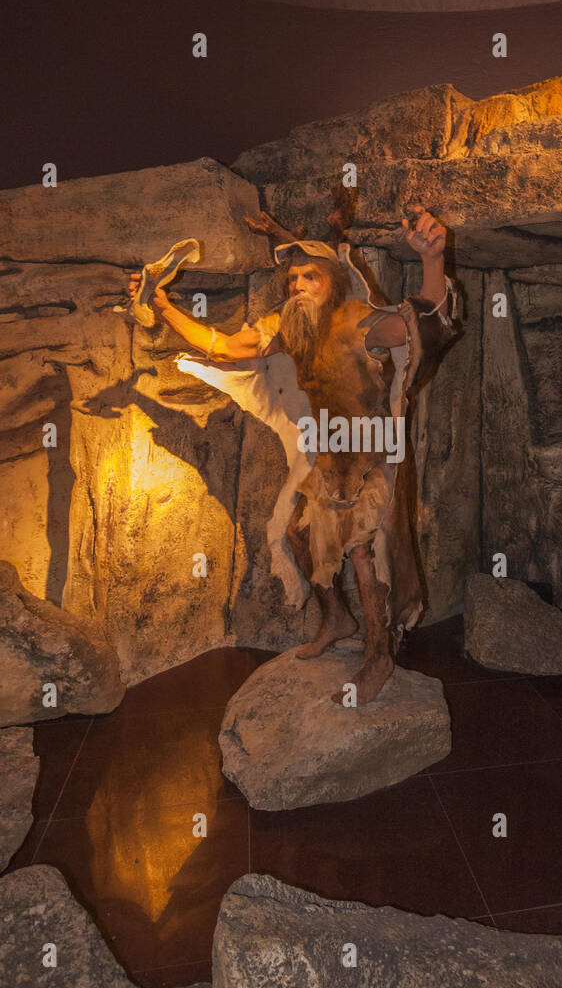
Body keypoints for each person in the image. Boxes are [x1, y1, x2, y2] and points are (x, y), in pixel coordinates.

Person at [127, 208, 457, 704]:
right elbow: (225, 347)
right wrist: (163, 304)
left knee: (367, 558)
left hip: (371, 458)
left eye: (311, 276)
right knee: (298, 537)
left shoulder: (358, 321)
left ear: (334, 282)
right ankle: (335, 617)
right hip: (328, 460)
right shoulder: (290, 330)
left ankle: (379, 655)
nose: (299, 285)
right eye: (294, 278)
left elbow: (423, 323)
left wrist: (433, 259)